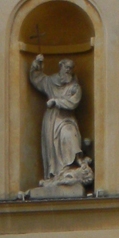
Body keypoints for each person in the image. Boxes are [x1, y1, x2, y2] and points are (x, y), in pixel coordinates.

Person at [29, 54, 88, 182]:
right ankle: (56, 174)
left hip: (67, 119)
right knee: (53, 146)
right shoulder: (50, 81)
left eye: (71, 68)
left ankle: (70, 167)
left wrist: (56, 101)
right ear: (61, 66)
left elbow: (73, 102)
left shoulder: (74, 87)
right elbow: (37, 79)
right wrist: (37, 64)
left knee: (69, 134)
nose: (68, 70)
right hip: (52, 120)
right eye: (67, 67)